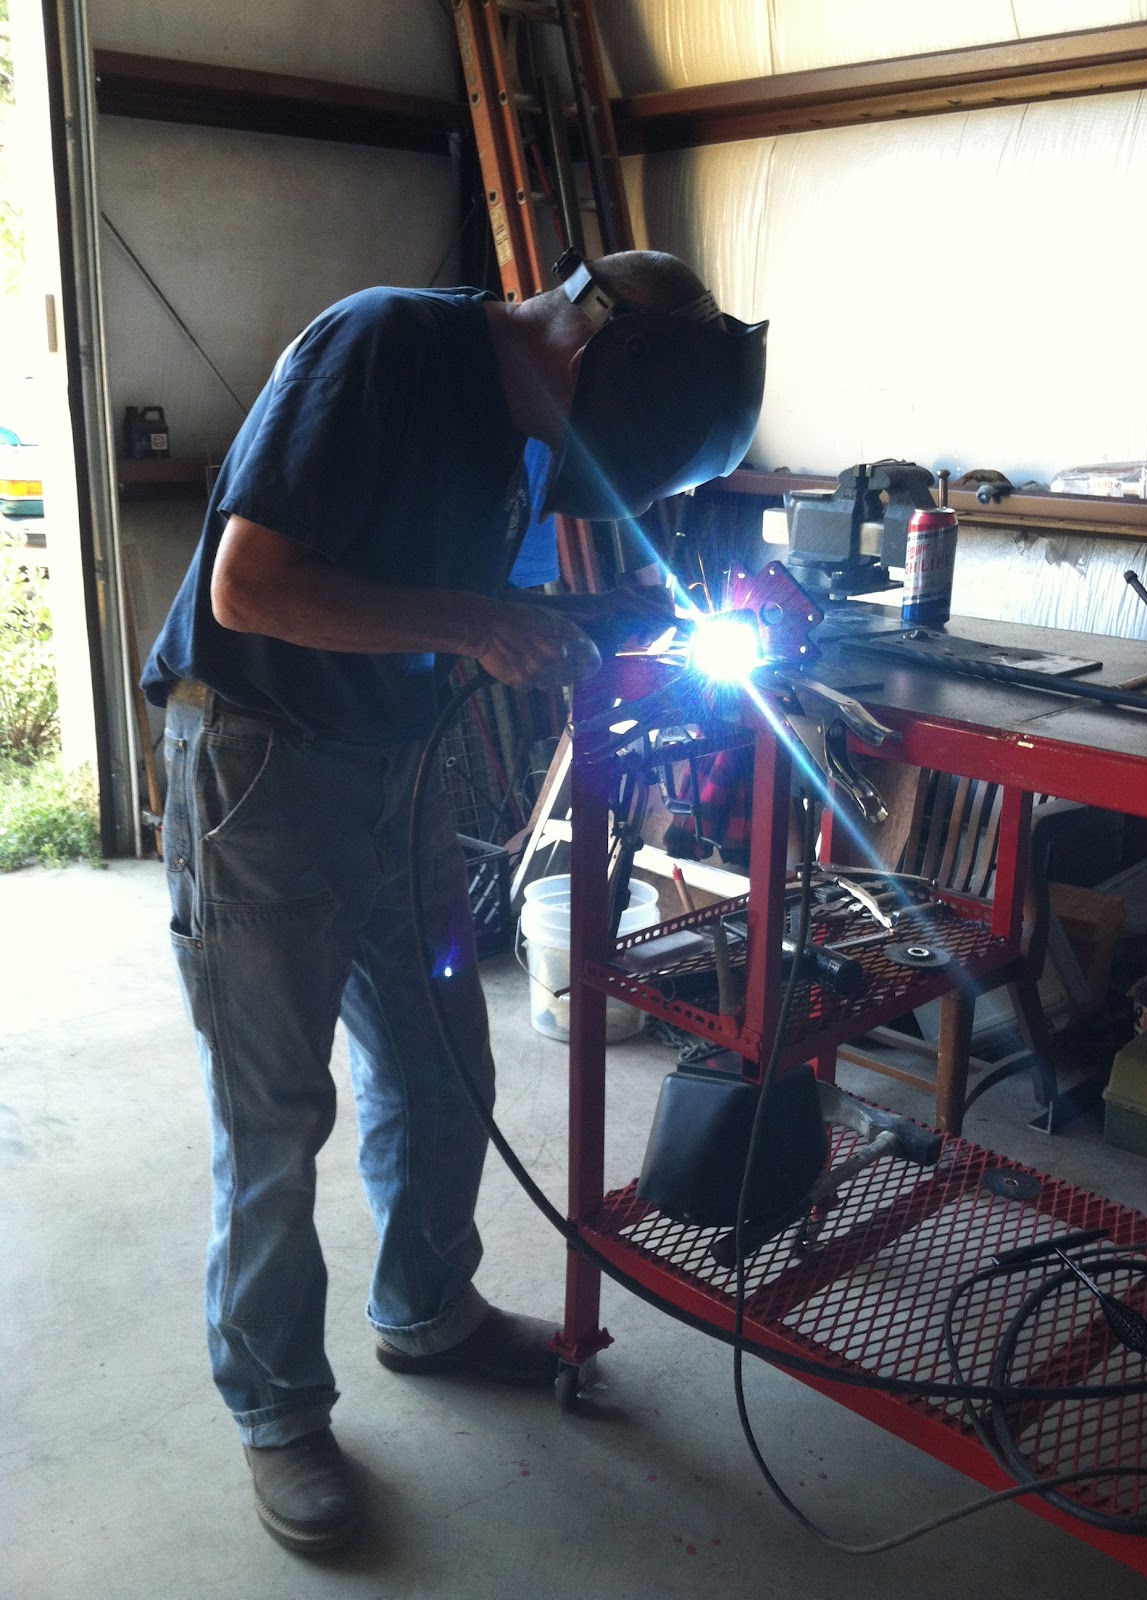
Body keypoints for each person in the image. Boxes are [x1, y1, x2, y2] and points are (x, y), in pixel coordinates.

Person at [142, 249, 767, 1554]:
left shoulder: (529, 415)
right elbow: (246, 584)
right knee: (275, 1113)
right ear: (579, 340)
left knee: (442, 1068)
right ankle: (277, 1411)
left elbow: (441, 579)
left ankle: (426, 1310)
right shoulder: (379, 345)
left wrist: (590, 607)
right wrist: (477, 625)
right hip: (261, 765)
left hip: (397, 770)